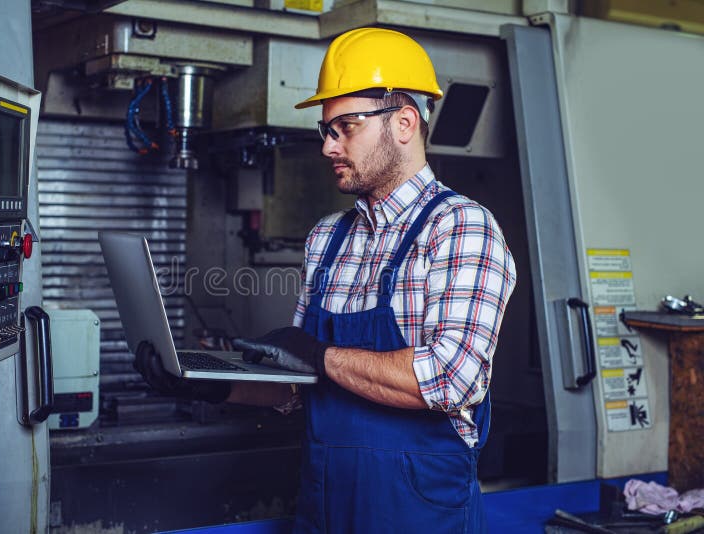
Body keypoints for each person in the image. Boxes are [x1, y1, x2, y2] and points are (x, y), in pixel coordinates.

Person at [134, 27, 516, 533]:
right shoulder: (327, 238)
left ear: (404, 123)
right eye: (325, 130)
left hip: (419, 514)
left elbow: (450, 378)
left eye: (346, 126)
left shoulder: (461, 227)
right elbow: (300, 389)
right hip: (325, 507)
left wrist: (318, 354)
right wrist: (207, 385)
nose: (328, 146)